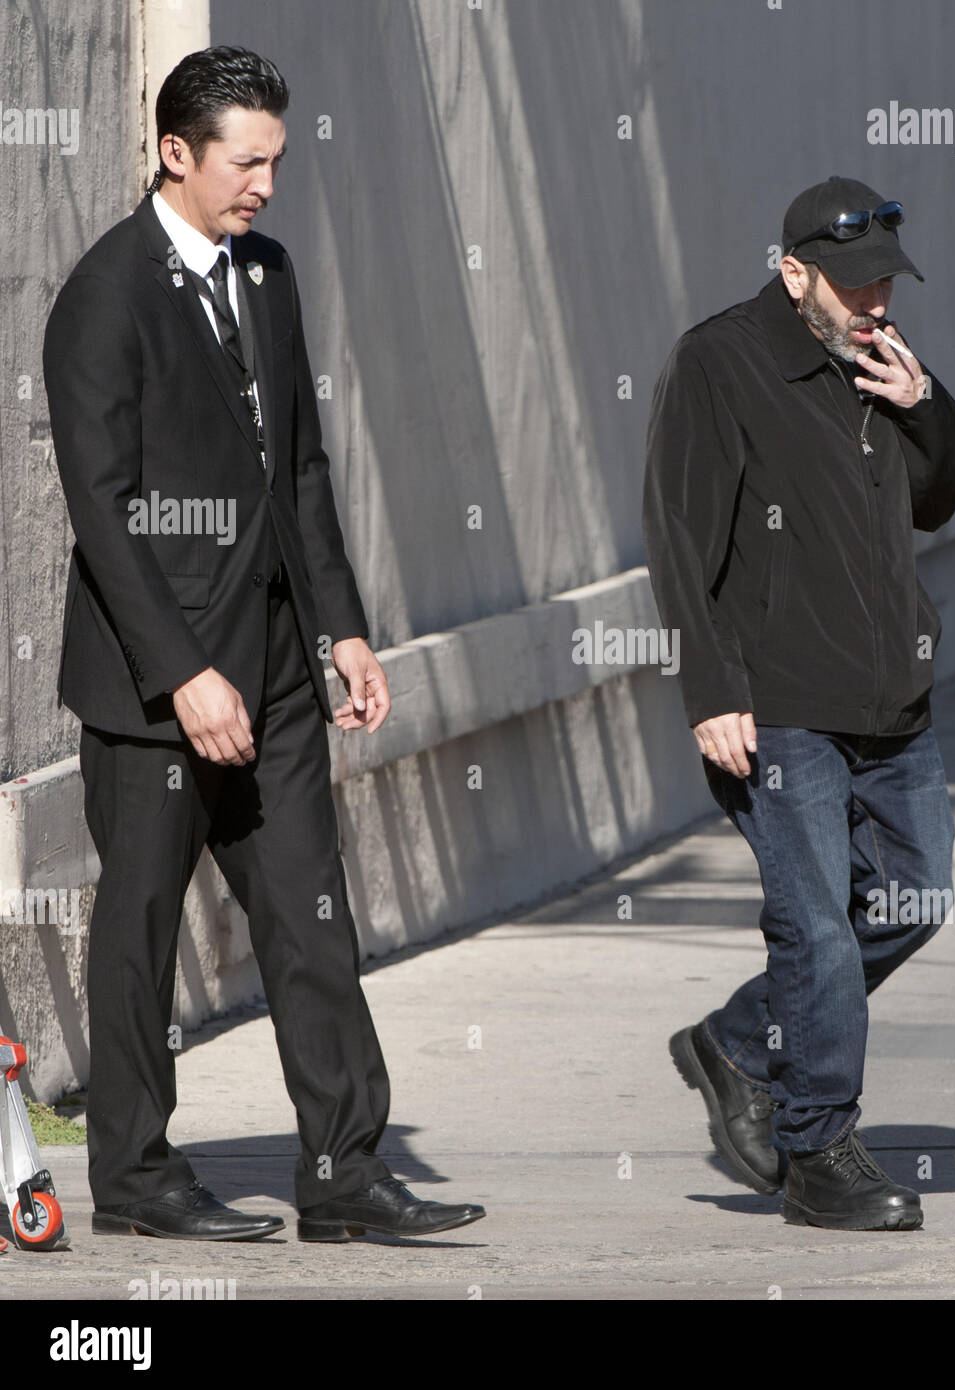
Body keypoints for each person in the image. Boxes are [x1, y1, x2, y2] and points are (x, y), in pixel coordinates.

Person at [42, 45, 484, 1243]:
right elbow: (104, 509)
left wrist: (343, 627)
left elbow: (301, 470)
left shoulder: (270, 276)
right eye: (247, 161)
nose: (267, 186)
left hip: (285, 670)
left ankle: (344, 1169)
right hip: (158, 691)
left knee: (312, 915)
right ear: (176, 153)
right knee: (138, 931)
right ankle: (134, 1177)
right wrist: (184, 673)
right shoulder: (102, 298)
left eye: (278, 161)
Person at [642, 175, 955, 1231]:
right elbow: (679, 533)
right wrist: (711, 687)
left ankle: (740, 1042)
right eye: (852, 282)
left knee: (915, 895)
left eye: (884, 279)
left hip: (891, 693)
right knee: (819, 930)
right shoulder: (721, 362)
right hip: (778, 700)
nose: (875, 299)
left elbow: (942, 494)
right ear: (795, 275)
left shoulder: (880, 360)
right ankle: (819, 1147)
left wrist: (926, 407)